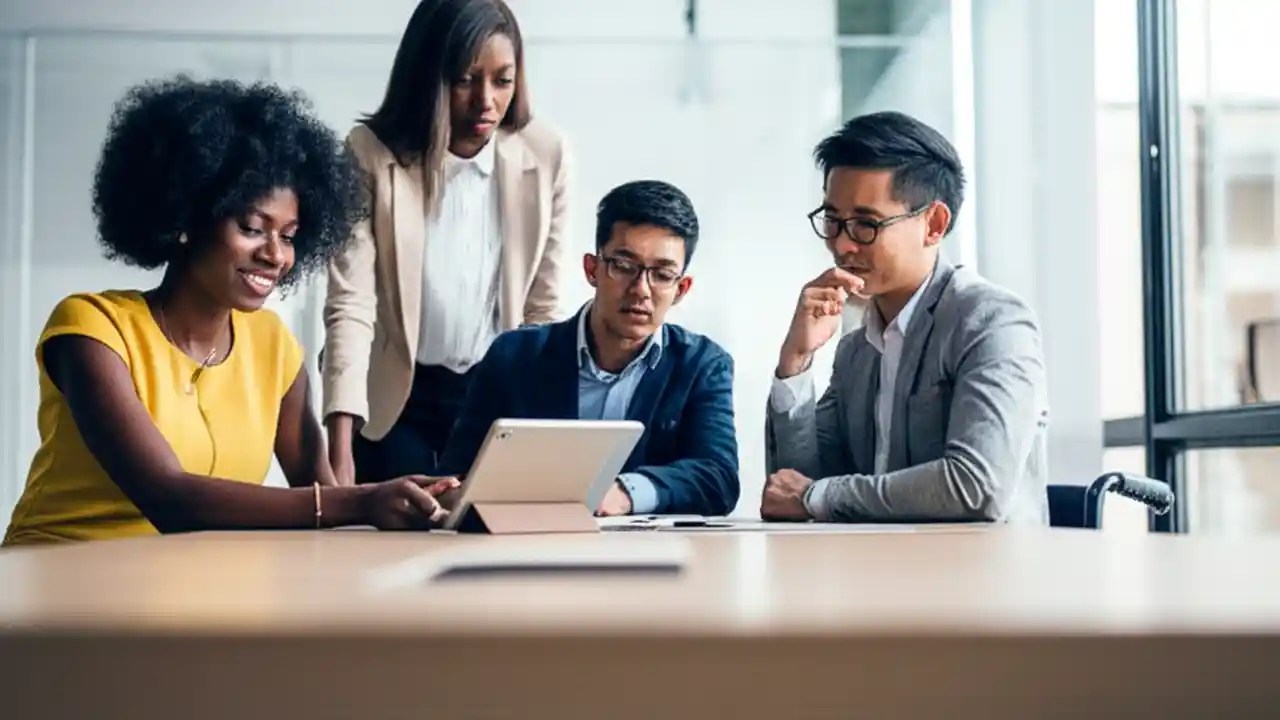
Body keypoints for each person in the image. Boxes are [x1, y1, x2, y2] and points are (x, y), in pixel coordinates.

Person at [2, 77, 459, 547]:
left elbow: (325, 493)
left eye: (289, 235)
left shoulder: (273, 347)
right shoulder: (91, 331)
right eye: (252, 228)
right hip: (60, 575)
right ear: (186, 218)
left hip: (188, 588)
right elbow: (167, 497)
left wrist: (408, 501)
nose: (276, 255)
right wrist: (361, 500)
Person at [323, 0, 572, 486]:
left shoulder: (546, 152)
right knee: (392, 543)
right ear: (428, 76)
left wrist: (544, 436)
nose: (486, 101)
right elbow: (350, 303)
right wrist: (338, 451)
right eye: (464, 79)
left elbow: (543, 310)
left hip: (493, 396)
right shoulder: (369, 153)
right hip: (396, 398)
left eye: (503, 80)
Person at [760, 111, 1049, 524]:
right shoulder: (855, 349)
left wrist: (815, 496)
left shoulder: (992, 322)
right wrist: (796, 361)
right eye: (832, 220)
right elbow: (798, 483)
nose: (842, 243)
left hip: (984, 579)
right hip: (880, 574)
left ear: (933, 224)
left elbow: (975, 486)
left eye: (865, 224)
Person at [436, 181, 739, 516]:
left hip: (649, 560)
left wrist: (625, 492)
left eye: (662, 275)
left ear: (681, 289)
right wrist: (452, 493)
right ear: (592, 269)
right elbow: (454, 474)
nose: (641, 289)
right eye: (624, 266)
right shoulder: (514, 356)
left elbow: (718, 478)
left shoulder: (702, 365)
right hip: (528, 551)